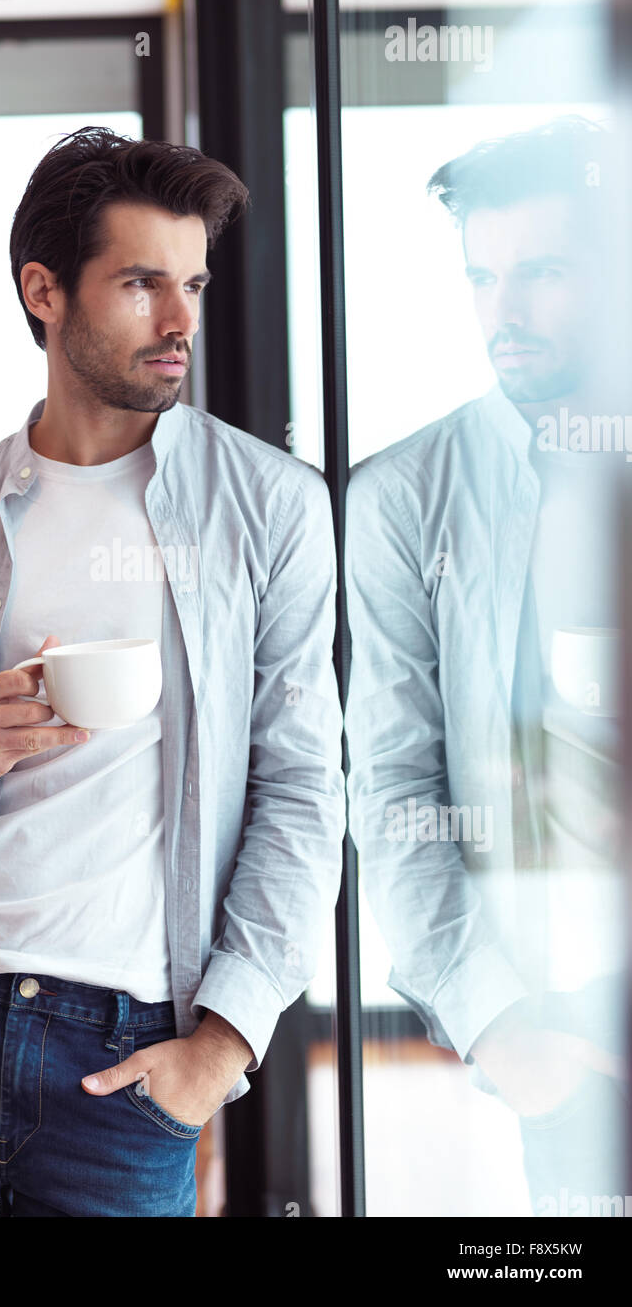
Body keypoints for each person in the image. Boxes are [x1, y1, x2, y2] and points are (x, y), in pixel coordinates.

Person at [0, 125, 345, 1218]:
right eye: (143, 283)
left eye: (192, 282)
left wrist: (223, 1044)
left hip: (129, 1055)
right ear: (44, 291)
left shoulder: (273, 510)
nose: (182, 320)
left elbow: (303, 791)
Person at [344, 115, 628, 1213]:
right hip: (562, 1021)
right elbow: (394, 786)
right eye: (483, 277)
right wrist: (504, 1028)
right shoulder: (404, 499)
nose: (504, 314)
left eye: (545, 272)